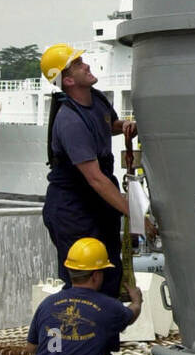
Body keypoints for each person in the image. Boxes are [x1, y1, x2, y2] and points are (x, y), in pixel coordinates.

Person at [40, 43, 136, 307]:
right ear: (68, 80)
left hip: (97, 201)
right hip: (74, 205)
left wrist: (124, 126)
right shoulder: (69, 120)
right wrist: (135, 214)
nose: (87, 65)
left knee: (108, 272)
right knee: (84, 281)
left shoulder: (97, 100)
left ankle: (105, 343)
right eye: (78, 64)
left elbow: (107, 125)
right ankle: (81, 343)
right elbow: (95, 179)